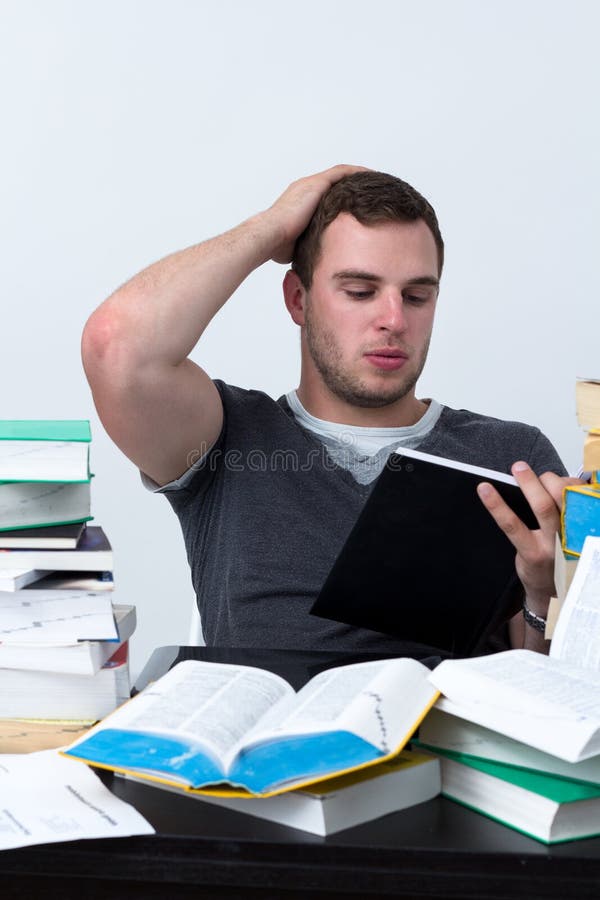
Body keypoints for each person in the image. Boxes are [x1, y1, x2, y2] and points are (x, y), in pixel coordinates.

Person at [81, 165, 575, 659]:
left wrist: (540, 594)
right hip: (271, 728)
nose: (394, 320)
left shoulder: (513, 456)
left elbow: (550, 699)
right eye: (360, 292)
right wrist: (269, 228)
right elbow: (117, 348)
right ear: (299, 299)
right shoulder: (225, 440)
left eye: (417, 296)